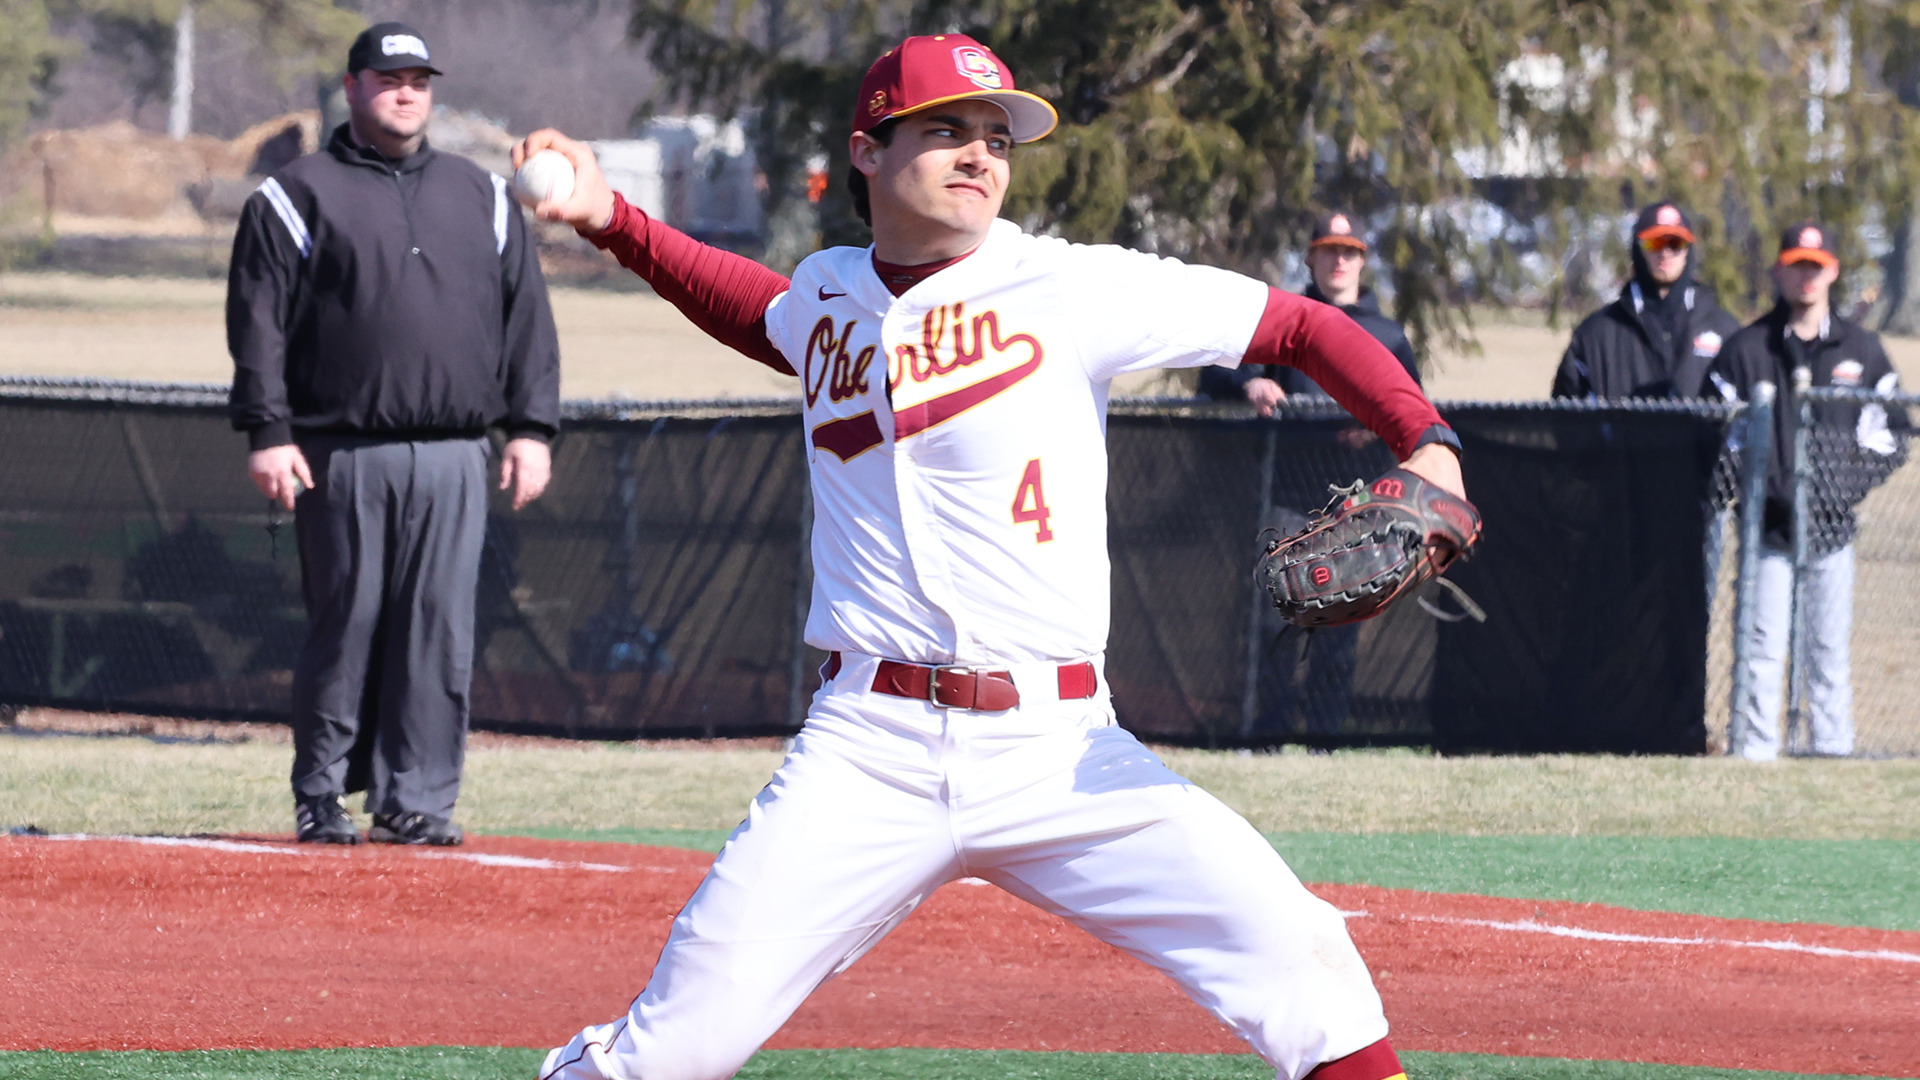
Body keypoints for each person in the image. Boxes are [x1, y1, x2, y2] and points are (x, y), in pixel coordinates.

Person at [521, 34, 1460, 1080]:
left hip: (1063, 752)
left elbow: (1296, 326)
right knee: (671, 1049)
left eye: (995, 137)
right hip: (867, 748)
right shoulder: (829, 292)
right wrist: (613, 220)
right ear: (868, 154)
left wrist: (1429, 441)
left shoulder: (1073, 286)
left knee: (1308, 964)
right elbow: (761, 311)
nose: (979, 155)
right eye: (945, 131)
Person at [226, 22, 561, 846]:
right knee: (346, 623)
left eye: (417, 78)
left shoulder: (481, 195)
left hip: (455, 452)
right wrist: (268, 431)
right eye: (386, 77)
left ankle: (418, 797)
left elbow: (528, 324)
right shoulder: (293, 194)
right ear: (352, 87)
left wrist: (531, 429)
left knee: (439, 632)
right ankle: (323, 792)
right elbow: (258, 325)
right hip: (340, 449)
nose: (405, 91)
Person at [1710, 221, 1907, 760]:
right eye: (1797, 265)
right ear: (1779, 269)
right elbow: (1716, 434)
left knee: (1827, 653)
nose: (1806, 278)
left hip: (1832, 531)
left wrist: (1840, 486)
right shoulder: (1747, 348)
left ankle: (1831, 756)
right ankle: (1754, 756)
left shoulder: (1861, 350)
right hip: (1765, 530)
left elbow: (1895, 433)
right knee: (1761, 649)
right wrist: (1747, 487)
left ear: (1833, 272)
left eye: (1816, 268)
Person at [1200, 211, 1420, 412]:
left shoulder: (1390, 336)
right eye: (1330, 250)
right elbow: (1214, 375)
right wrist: (1250, 384)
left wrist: (1375, 430)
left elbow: (1415, 409)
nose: (1339, 261)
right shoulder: (1285, 322)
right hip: (1294, 452)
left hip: (1366, 456)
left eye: (1349, 252)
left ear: (1363, 261)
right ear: (1310, 257)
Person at [1553, 201, 1741, 400]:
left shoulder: (1724, 329)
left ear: (1688, 250)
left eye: (1675, 243)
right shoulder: (1595, 335)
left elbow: (1746, 416)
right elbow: (1564, 419)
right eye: (1655, 243)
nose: (1665, 252)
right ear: (1638, 250)